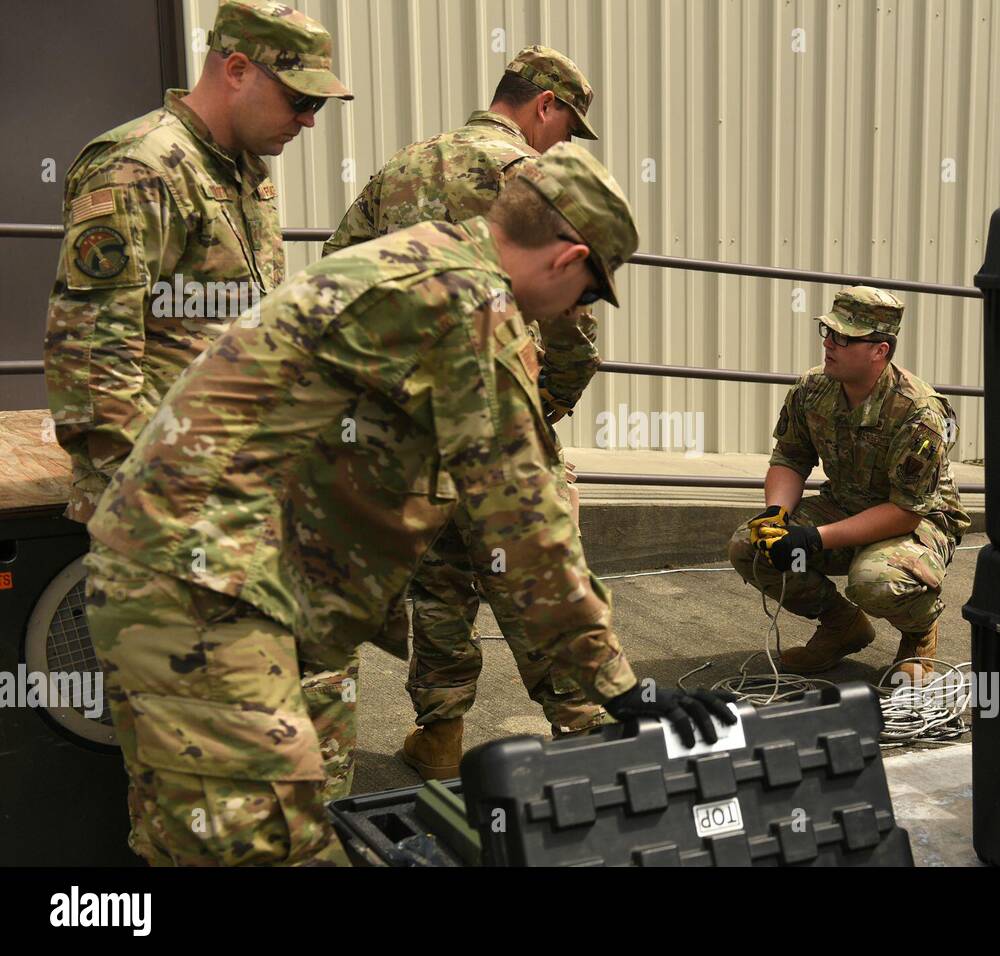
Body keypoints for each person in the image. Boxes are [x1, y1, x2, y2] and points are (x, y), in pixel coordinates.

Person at [84, 144, 734, 865]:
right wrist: (619, 686)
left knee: (192, 841)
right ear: (567, 258)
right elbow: (522, 525)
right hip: (202, 591)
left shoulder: (420, 254)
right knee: (277, 848)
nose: (578, 312)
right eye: (590, 292)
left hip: (167, 566)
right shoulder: (471, 306)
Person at [42, 0, 352, 865]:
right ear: (236, 68)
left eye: (321, 105)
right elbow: (93, 378)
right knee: (193, 784)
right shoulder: (141, 168)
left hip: (250, 511)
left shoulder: (244, 170)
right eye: (298, 98)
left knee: (304, 740)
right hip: (174, 533)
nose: (309, 119)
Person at [324, 45, 610, 777]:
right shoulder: (534, 179)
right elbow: (574, 323)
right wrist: (542, 411)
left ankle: (441, 735)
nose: (563, 142)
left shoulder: (404, 166)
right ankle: (592, 737)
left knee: (440, 577)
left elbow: (337, 273)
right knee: (538, 574)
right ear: (545, 105)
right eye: (567, 125)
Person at [728, 286, 970, 684]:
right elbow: (790, 456)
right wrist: (776, 514)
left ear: (880, 350)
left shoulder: (919, 411)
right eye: (828, 332)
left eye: (845, 337)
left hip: (918, 521)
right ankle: (842, 625)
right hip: (845, 506)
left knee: (875, 581)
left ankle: (917, 632)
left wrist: (812, 538)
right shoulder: (813, 388)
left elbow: (906, 510)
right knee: (751, 546)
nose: (830, 344)